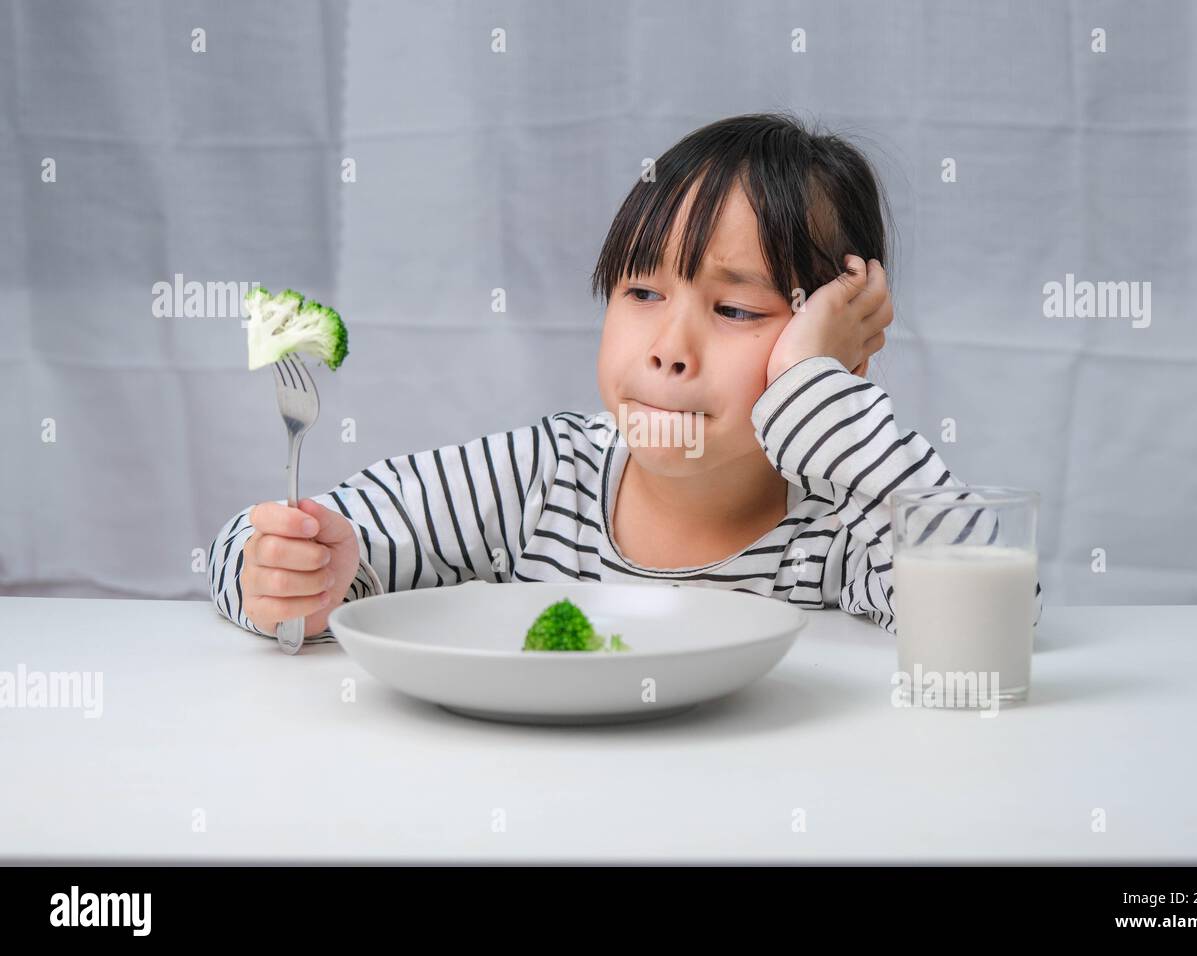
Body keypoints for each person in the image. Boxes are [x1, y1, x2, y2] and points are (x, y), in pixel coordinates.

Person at [208, 111, 1043, 644]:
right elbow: (262, 543)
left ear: (832, 354)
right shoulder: (539, 477)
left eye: (736, 310)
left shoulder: (839, 528)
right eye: (642, 293)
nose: (669, 350)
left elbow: (995, 613)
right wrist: (294, 575)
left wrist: (818, 390)